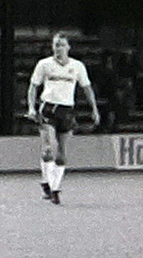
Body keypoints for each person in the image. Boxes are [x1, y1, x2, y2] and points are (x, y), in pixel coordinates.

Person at [27, 31, 100, 205]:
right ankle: (53, 189)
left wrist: (94, 109)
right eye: (56, 45)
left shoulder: (77, 66)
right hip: (48, 108)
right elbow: (33, 87)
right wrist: (31, 107)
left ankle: (51, 184)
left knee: (62, 154)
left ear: (68, 47)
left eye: (62, 45)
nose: (58, 48)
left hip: (67, 110)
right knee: (49, 147)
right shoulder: (44, 64)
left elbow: (87, 88)